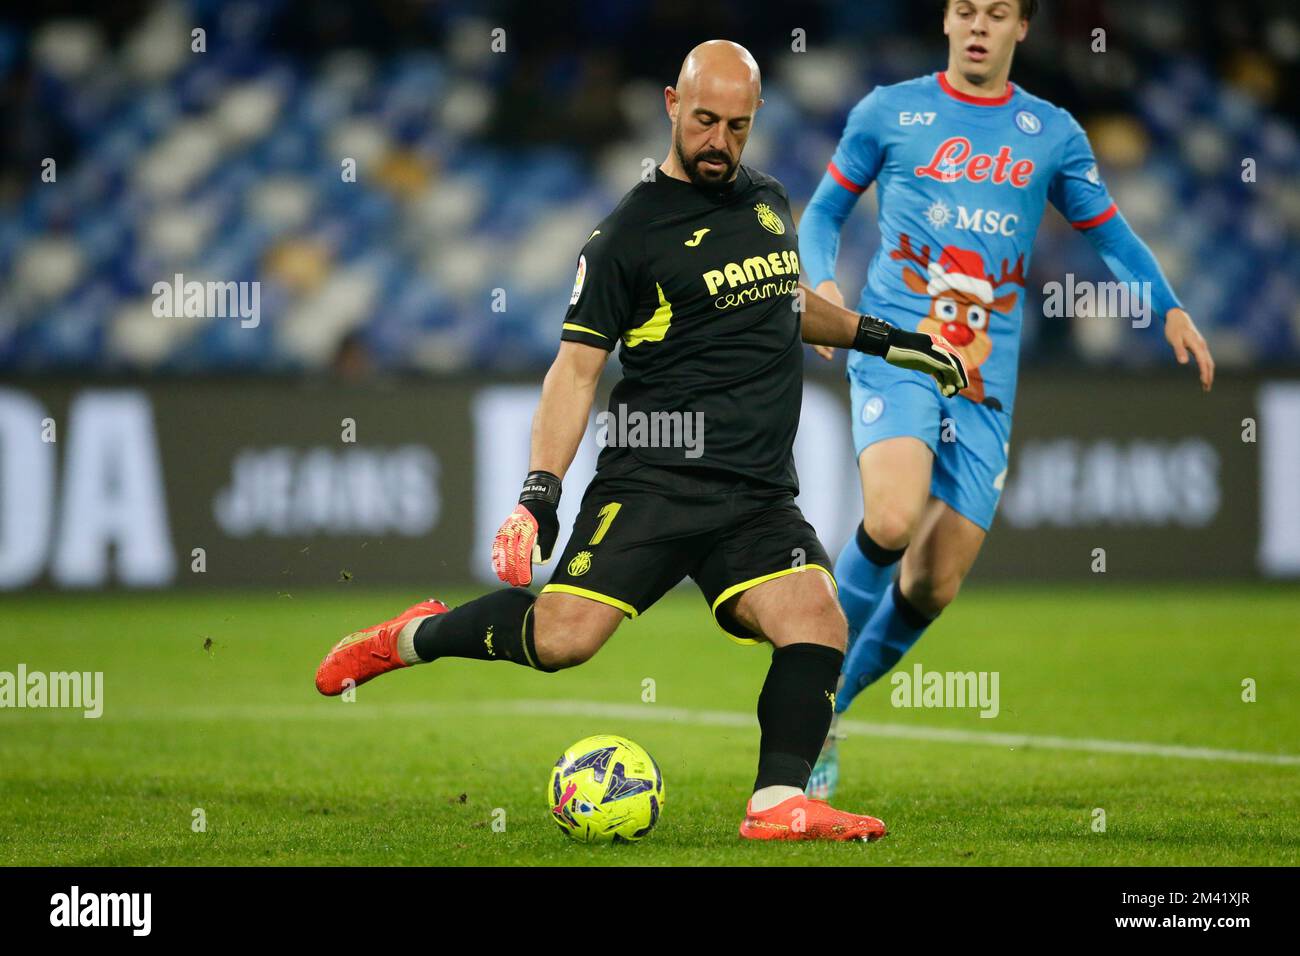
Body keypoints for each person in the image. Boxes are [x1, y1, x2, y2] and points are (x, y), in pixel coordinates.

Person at [315, 40, 965, 841]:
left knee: (818, 619)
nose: (718, 141)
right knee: (561, 641)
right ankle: (410, 636)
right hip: (654, 483)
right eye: (703, 121)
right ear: (670, 105)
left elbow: (782, 301)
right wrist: (537, 497)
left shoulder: (765, 201)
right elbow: (574, 372)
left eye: (736, 124)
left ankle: (776, 804)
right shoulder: (626, 235)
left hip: (755, 493)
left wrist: (884, 338)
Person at [798, 0, 1216, 799]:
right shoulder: (889, 112)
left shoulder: (1051, 133)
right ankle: (809, 698)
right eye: (966, 10)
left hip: (987, 380)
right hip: (898, 351)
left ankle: (836, 697)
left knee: (932, 584)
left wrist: (1166, 305)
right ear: (947, 21)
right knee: (889, 518)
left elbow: (1111, 233)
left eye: (997, 12)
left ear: (1022, 27)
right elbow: (823, 211)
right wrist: (822, 283)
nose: (979, 24)